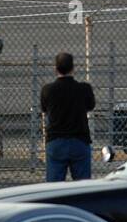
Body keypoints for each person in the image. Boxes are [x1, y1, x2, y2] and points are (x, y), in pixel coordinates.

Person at [40, 52, 96, 181]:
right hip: (79, 139)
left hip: (56, 140)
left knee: (54, 186)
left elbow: (44, 109)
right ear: (73, 68)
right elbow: (90, 106)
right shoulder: (84, 88)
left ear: (56, 69)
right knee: (82, 185)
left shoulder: (48, 90)